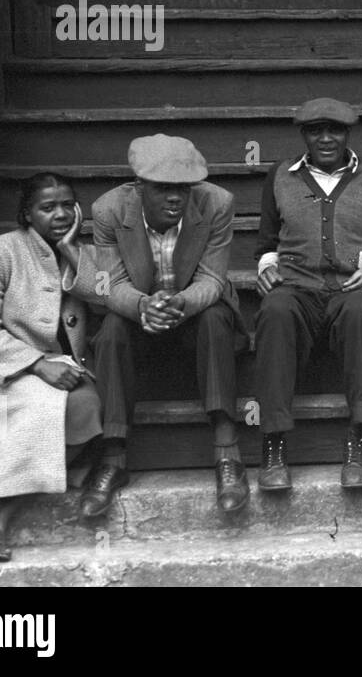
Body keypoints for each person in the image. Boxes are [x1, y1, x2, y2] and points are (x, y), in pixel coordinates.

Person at [0, 173, 104, 567]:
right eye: (48, 208)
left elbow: (106, 300)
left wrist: (70, 252)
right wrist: (35, 363)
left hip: (63, 370)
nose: (60, 214)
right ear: (27, 214)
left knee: (86, 410)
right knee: (40, 412)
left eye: (68, 205)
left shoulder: (87, 256)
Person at [87, 135, 244, 516]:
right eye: (163, 189)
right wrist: (143, 307)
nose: (175, 197)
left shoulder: (217, 203)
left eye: (183, 188)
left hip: (193, 313)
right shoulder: (108, 210)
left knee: (216, 318)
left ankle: (228, 453)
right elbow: (110, 284)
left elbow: (212, 279)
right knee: (110, 330)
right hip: (139, 317)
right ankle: (113, 458)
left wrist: (180, 303)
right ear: (140, 186)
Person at [253, 98, 362, 491]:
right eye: (315, 131)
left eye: (334, 130)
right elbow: (267, 243)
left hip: (353, 287)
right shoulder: (280, 176)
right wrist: (267, 268)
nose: (325, 138)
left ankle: (358, 437)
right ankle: (275, 442)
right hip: (298, 288)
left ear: (347, 133)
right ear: (303, 135)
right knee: (274, 311)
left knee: (360, 312)